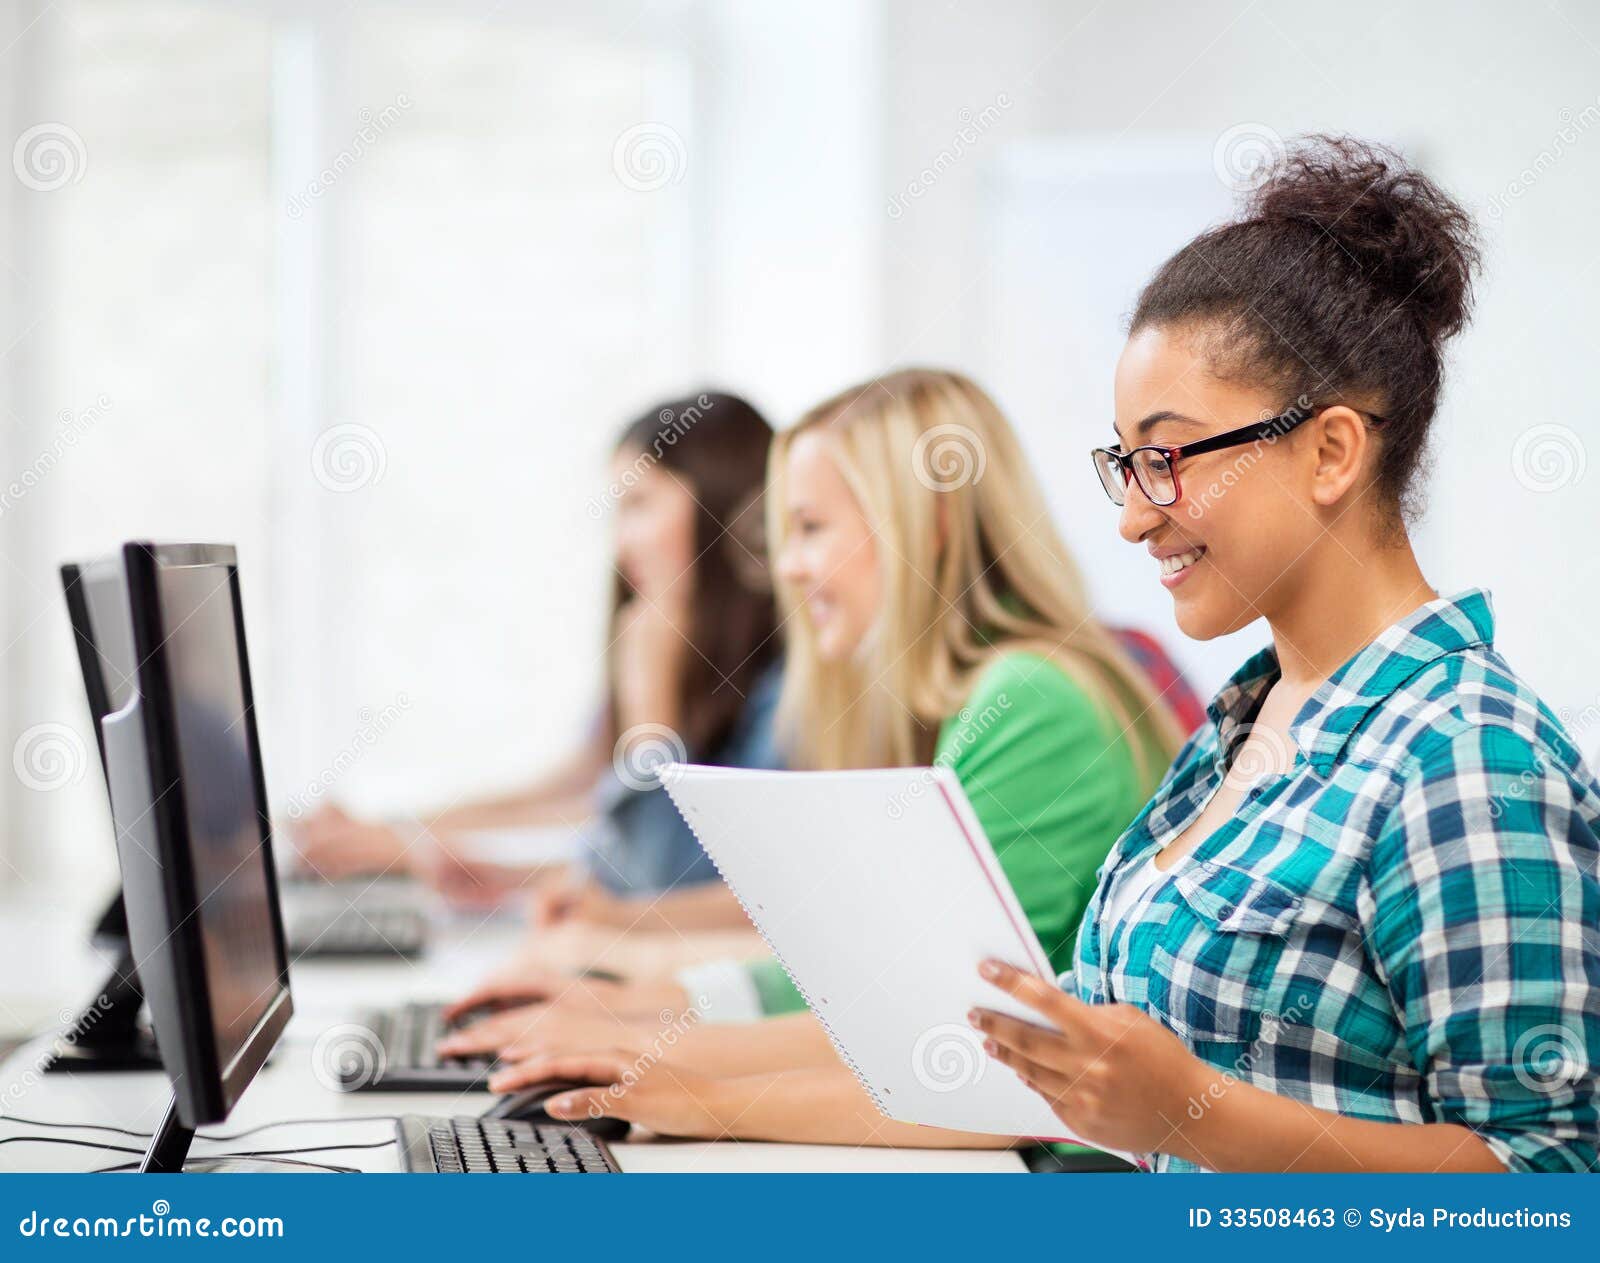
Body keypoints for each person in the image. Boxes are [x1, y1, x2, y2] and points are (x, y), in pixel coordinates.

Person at [970, 135, 1600, 1172]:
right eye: (1124, 463)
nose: (1133, 517)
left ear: (1331, 451)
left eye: (1166, 459)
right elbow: (1073, 1066)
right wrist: (668, 1073)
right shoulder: (1246, 721)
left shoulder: (1467, 760)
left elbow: (1557, 1182)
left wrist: (1197, 1116)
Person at [439, 368, 1189, 1150]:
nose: (788, 567)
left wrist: (670, 1062)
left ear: (923, 523)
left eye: (811, 527)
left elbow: (939, 1029)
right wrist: (645, 1012)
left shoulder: (1032, 700)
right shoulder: (969, 699)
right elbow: (864, 983)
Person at [293, 391, 785, 904]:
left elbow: (661, 878)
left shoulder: (779, 689)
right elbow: (585, 788)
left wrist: (649, 720)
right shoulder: (670, 646)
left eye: (639, 505)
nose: (621, 546)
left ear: (720, 507)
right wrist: (408, 837)